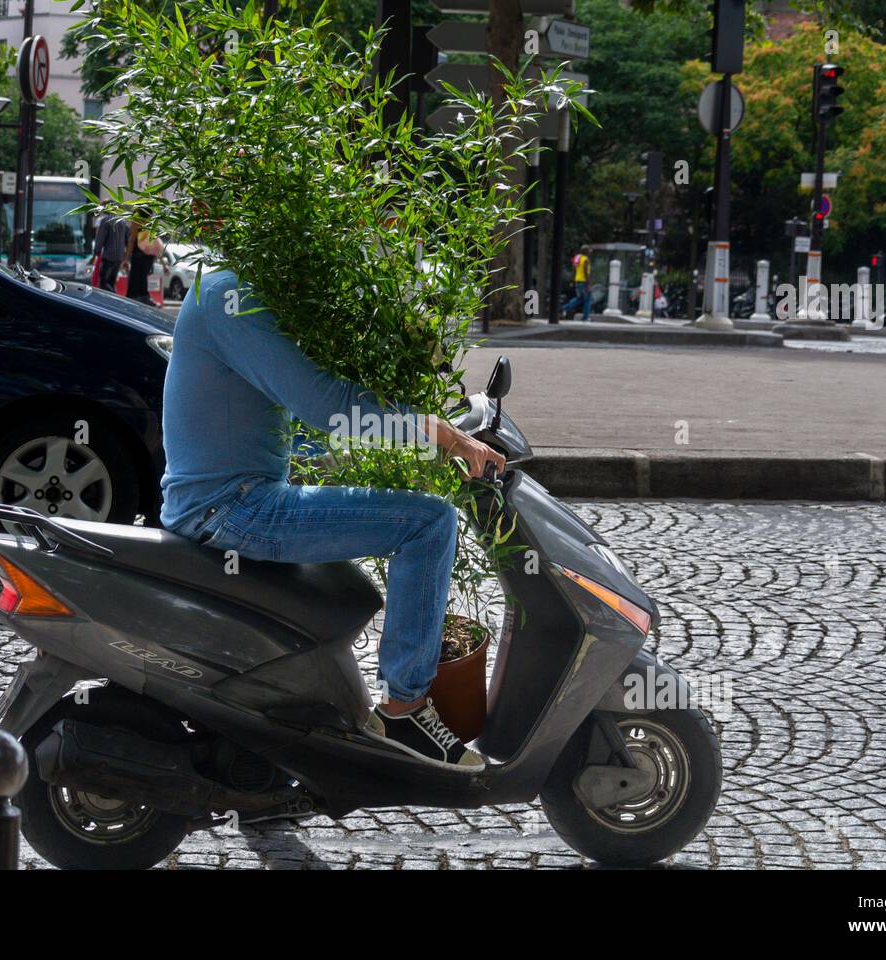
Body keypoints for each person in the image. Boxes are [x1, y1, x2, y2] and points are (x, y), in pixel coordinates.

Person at [160, 269, 504, 770]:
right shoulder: (229, 293)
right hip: (234, 506)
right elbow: (325, 406)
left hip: (235, 496)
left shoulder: (228, 288)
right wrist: (442, 434)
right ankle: (404, 710)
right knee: (428, 522)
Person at [125, 215, 164, 305]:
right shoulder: (151, 223)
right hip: (147, 256)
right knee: (142, 277)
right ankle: (143, 298)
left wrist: (126, 258)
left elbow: (131, 240)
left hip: (140, 256)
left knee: (137, 278)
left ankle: (136, 298)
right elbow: (156, 243)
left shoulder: (137, 222)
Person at [91, 213, 129, 291]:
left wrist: (96, 252)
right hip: (119, 256)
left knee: (104, 282)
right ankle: (113, 297)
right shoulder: (122, 220)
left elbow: (100, 238)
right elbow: (127, 239)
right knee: (112, 281)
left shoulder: (105, 220)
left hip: (108, 255)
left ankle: (112, 297)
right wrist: (126, 256)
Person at [562, 248, 591, 321]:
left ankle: (564, 308)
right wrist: (588, 283)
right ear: (586, 252)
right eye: (589, 251)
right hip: (584, 282)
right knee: (587, 299)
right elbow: (585, 271)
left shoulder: (577, 258)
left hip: (577, 281)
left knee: (580, 298)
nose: (589, 253)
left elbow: (574, 270)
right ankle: (585, 317)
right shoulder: (585, 259)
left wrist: (572, 281)